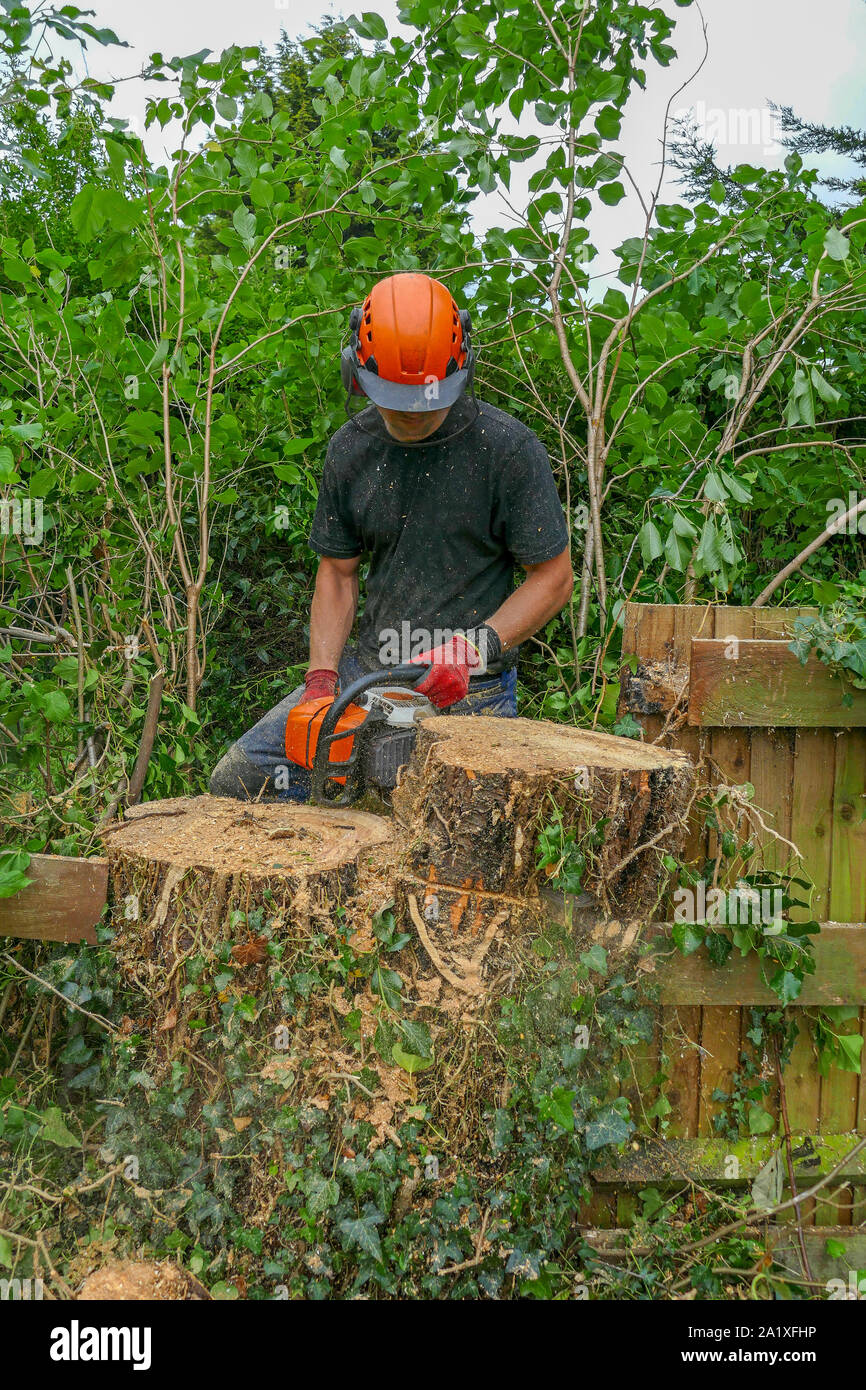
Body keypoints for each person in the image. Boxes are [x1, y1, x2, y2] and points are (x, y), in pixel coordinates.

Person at [209, 272, 573, 802]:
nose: (411, 413)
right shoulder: (351, 451)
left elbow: (554, 578)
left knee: (449, 828)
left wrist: (473, 650)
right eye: (396, 398)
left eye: (426, 399)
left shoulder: (507, 450)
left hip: (473, 688)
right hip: (368, 673)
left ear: (460, 368)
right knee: (241, 779)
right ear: (357, 370)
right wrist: (321, 679)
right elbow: (337, 573)